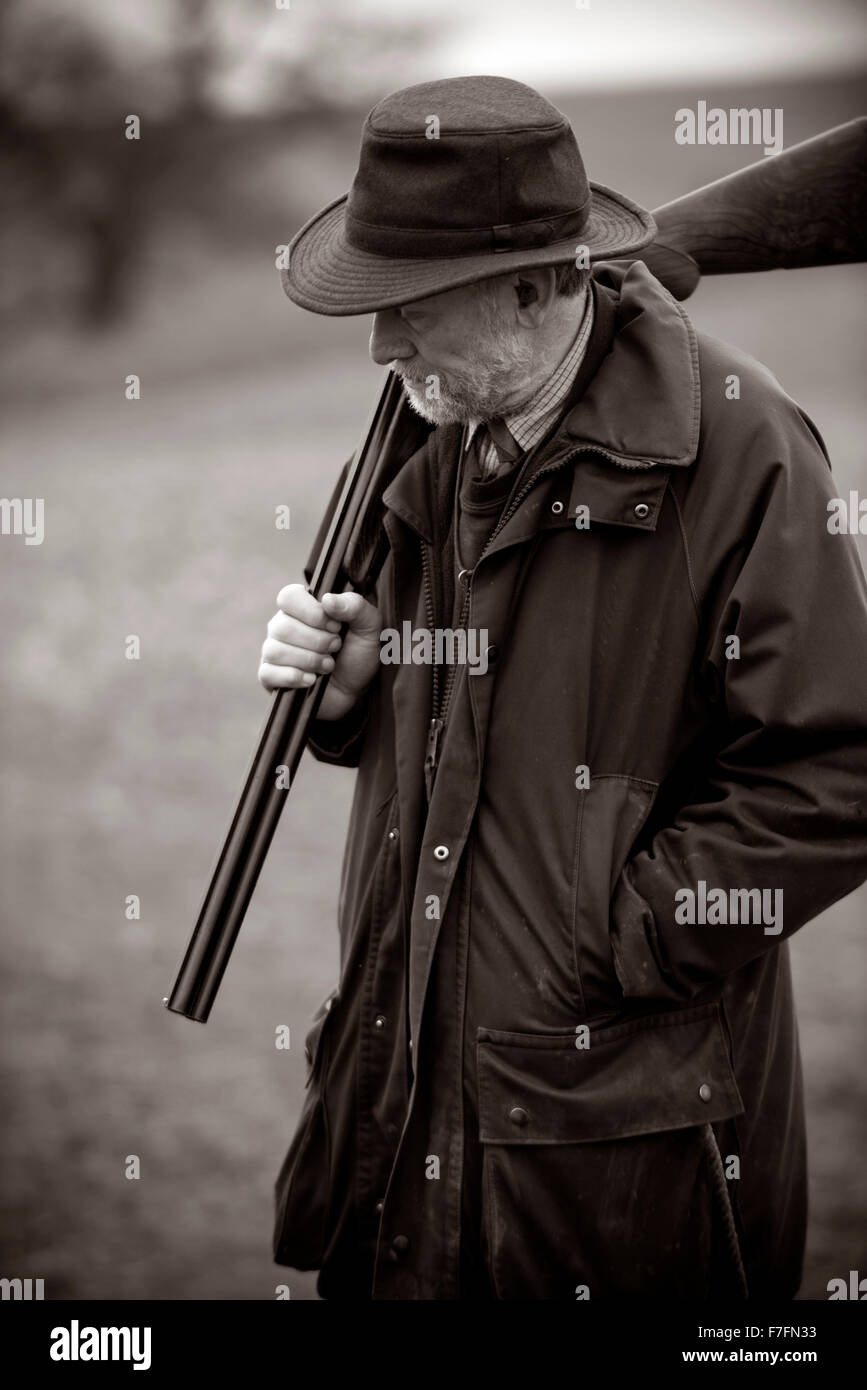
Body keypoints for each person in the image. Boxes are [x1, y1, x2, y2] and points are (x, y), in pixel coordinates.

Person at [260, 75, 867, 1300]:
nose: (383, 346)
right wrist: (353, 697)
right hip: (406, 1110)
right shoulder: (428, 429)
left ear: (541, 286)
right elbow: (476, 730)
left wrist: (618, 935)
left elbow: (840, 769)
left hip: (621, 1154)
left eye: (413, 307)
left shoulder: (738, 445)